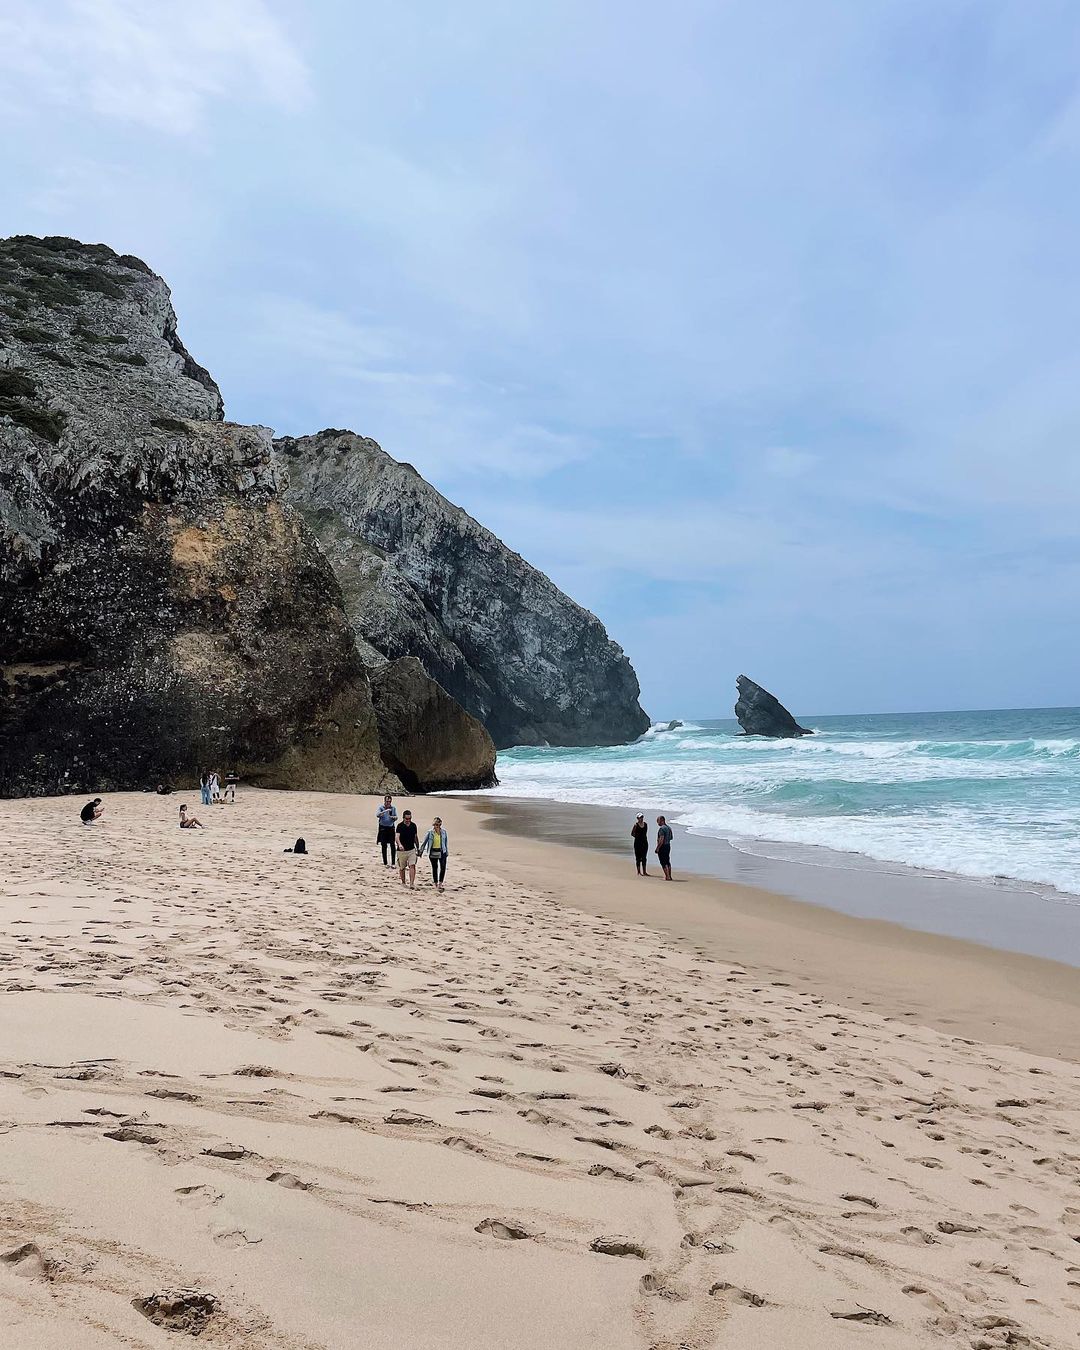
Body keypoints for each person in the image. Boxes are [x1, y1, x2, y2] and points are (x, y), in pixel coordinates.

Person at [419, 816, 449, 892]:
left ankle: (440, 883)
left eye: (437, 825)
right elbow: (424, 842)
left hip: (442, 851)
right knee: (435, 867)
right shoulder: (430, 832)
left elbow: (445, 842)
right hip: (433, 851)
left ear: (440, 824)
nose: (436, 826)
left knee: (443, 867)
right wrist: (421, 851)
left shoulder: (444, 832)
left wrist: (446, 851)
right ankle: (436, 883)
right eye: (435, 825)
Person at [395, 809, 419, 888]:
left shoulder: (413, 825)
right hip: (402, 851)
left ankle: (412, 883)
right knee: (402, 867)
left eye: (410, 818)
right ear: (403, 818)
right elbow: (397, 837)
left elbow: (415, 837)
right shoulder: (400, 826)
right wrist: (400, 844)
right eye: (407, 819)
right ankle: (403, 882)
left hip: (411, 849)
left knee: (412, 865)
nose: (408, 820)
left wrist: (418, 847)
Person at [376, 794, 398, 866]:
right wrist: (384, 811)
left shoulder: (393, 808)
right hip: (383, 828)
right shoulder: (381, 808)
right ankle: (385, 862)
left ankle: (393, 863)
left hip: (391, 828)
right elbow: (377, 814)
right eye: (387, 801)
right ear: (384, 801)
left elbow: (396, 816)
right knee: (384, 845)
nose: (388, 803)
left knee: (392, 845)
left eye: (389, 801)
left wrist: (393, 817)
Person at [655, 814, 673, 881]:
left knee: (663, 862)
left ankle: (667, 876)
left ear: (662, 821)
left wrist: (657, 848)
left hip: (663, 846)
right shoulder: (669, 828)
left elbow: (661, 839)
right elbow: (671, 838)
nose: (657, 823)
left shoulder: (662, 829)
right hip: (668, 845)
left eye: (658, 821)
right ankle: (669, 876)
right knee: (667, 861)